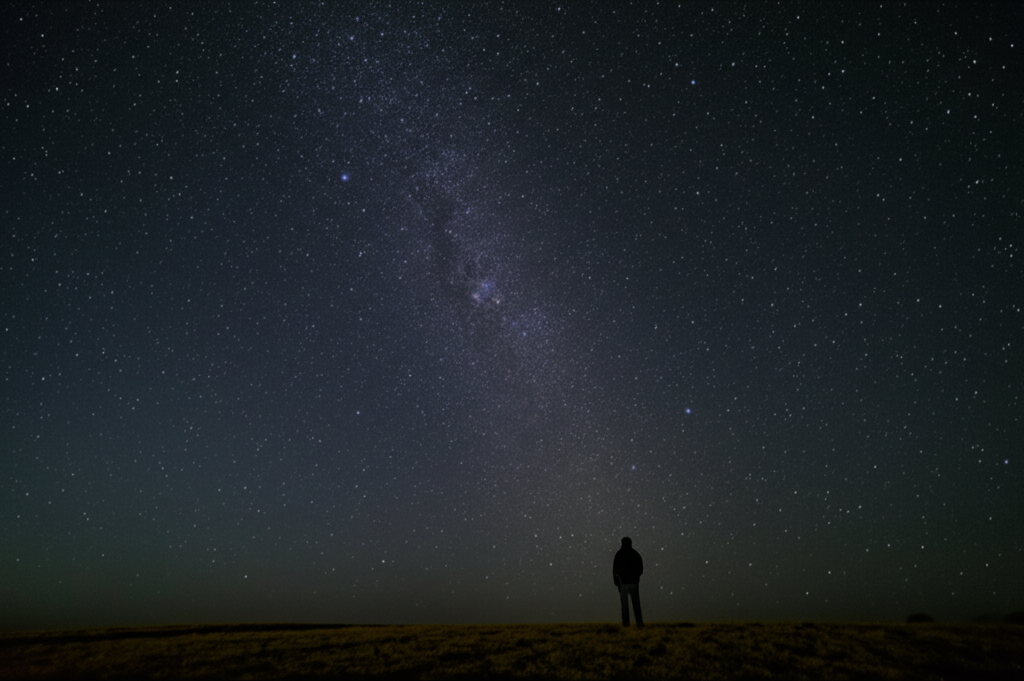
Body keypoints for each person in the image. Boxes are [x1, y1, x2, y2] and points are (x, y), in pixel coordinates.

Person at [613, 536, 644, 627]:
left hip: (624, 583)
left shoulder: (619, 554)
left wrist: (617, 581)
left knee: (625, 606)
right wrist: (636, 578)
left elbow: (615, 570)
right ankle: (639, 624)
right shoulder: (635, 554)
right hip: (632, 583)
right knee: (636, 605)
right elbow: (640, 569)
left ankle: (626, 624)